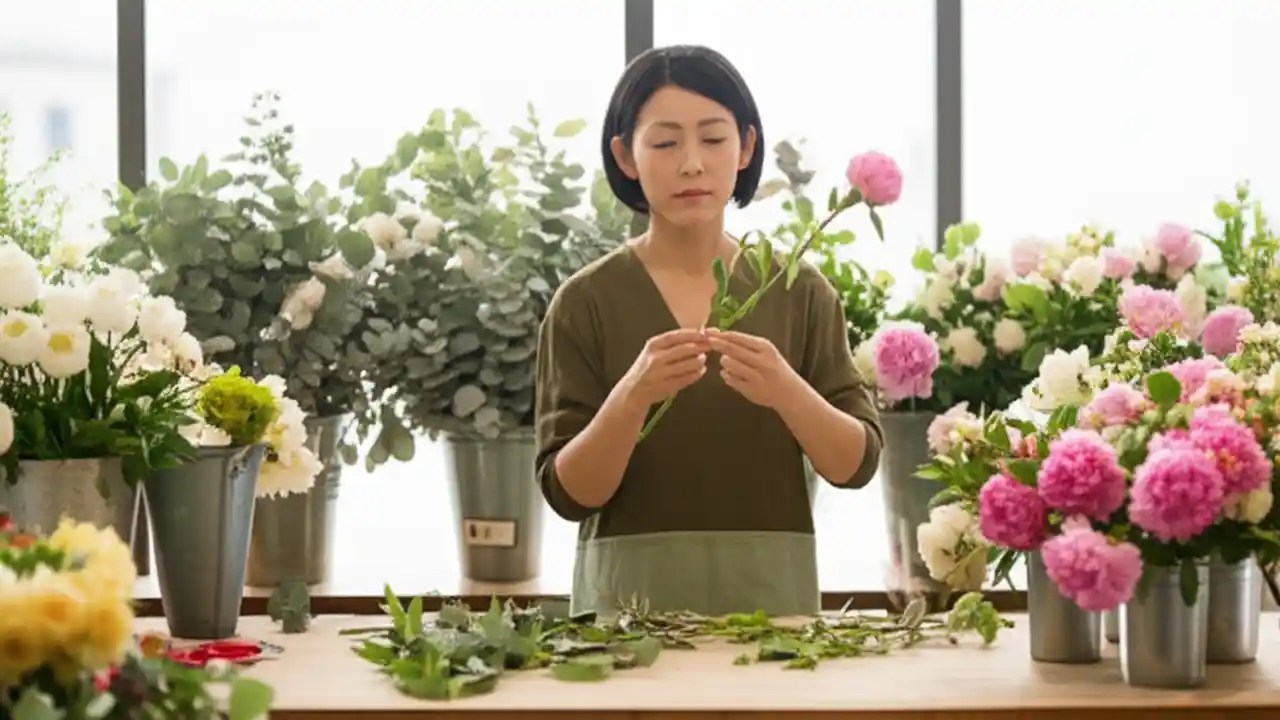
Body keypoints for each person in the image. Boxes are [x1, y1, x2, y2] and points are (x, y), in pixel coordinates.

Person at [533, 44, 883, 617]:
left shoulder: (799, 292)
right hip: (625, 624)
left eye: (714, 139)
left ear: (745, 147)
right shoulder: (584, 303)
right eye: (665, 143)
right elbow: (569, 494)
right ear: (625, 156)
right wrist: (632, 397)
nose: (692, 164)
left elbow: (856, 465)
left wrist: (787, 391)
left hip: (773, 618)